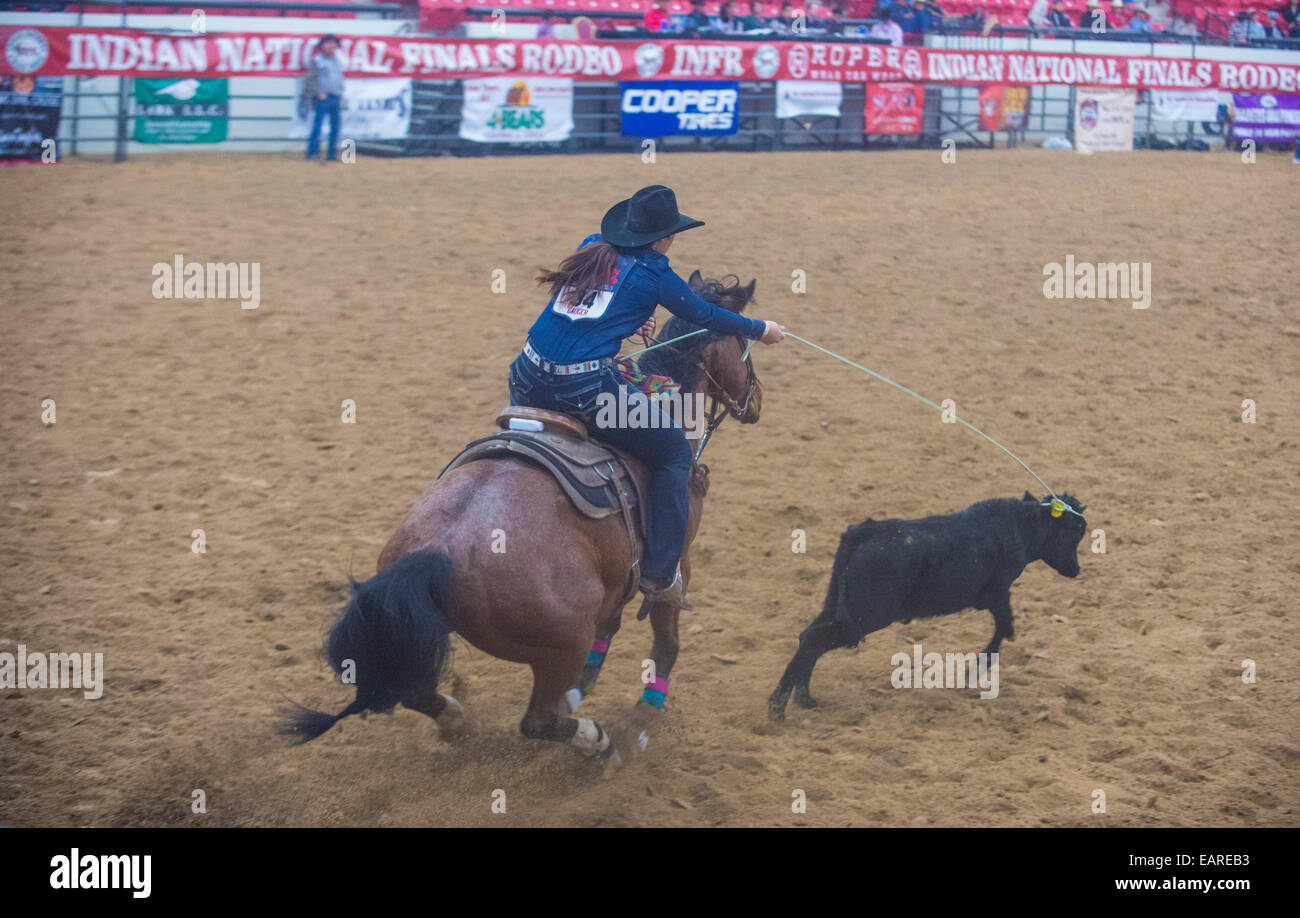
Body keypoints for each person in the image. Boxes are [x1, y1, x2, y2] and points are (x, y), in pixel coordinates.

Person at [512, 186, 785, 608]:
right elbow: (705, 314)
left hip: (525, 377)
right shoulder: (656, 275)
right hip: (581, 390)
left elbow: (589, 304)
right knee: (675, 451)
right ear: (663, 237)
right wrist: (759, 329)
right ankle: (661, 572)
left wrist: (630, 316)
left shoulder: (593, 247)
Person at [304, 34, 344, 163]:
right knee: (318, 126)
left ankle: (332, 154)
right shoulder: (317, 60)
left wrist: (341, 90)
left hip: (335, 96)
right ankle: (313, 153)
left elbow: (340, 77)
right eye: (328, 43)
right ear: (322, 46)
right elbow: (309, 80)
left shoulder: (338, 60)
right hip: (323, 97)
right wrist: (318, 92)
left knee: (335, 126)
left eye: (333, 43)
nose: (331, 46)